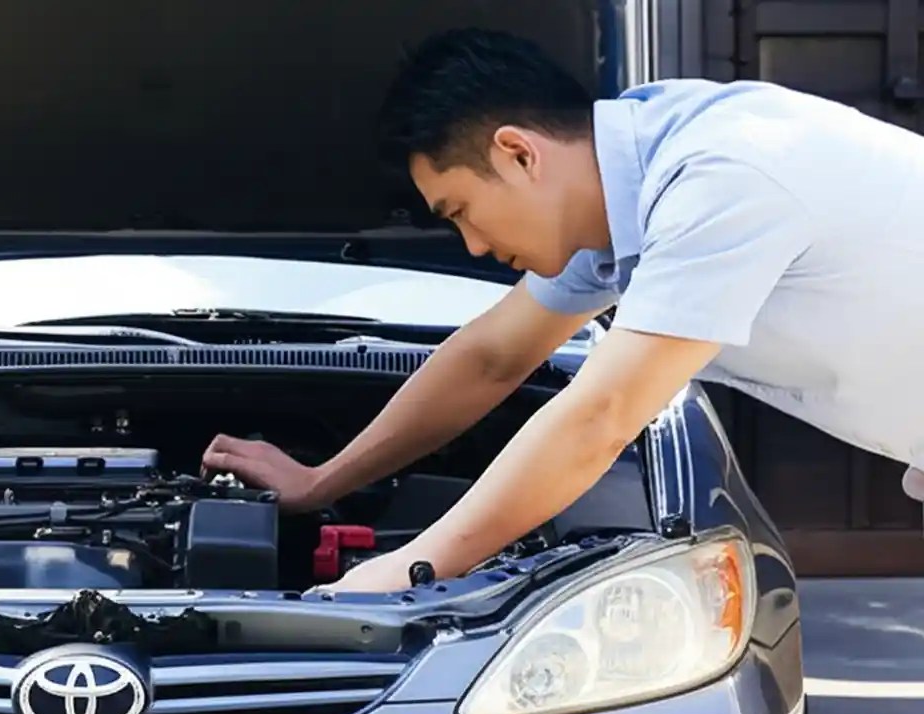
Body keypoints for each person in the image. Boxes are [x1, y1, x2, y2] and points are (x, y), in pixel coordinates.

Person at [203, 28, 924, 592]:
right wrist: (322, 480)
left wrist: (407, 571)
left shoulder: (720, 176)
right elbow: (493, 356)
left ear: (519, 154)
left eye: (461, 212)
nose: (475, 246)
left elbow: (602, 417)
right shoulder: (631, 172)